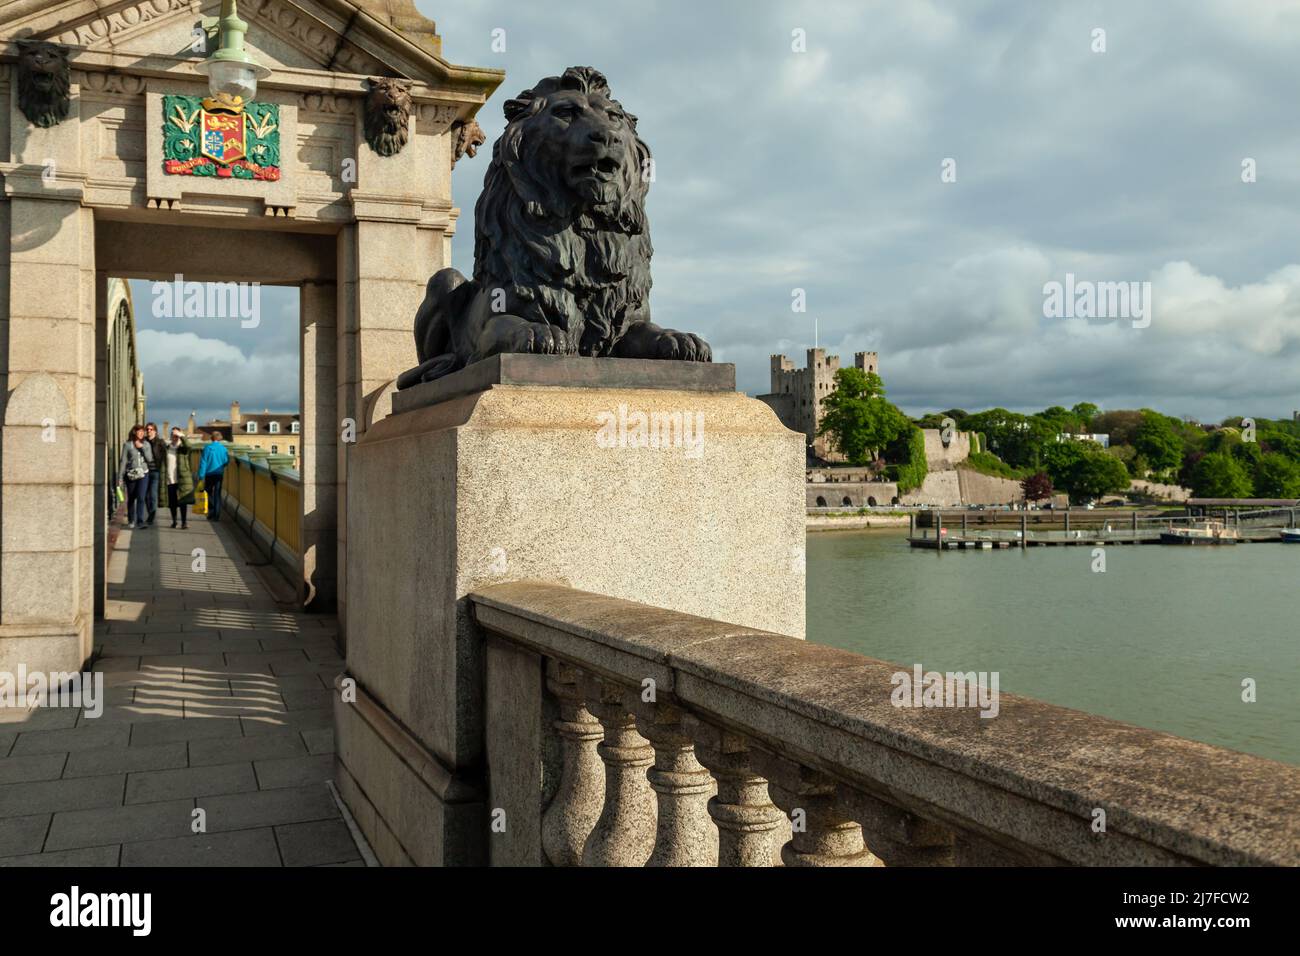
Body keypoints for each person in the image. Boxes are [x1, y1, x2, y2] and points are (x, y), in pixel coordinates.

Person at [117, 424, 153, 530]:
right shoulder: (127, 445)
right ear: (134, 432)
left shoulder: (146, 444)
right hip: (131, 475)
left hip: (143, 474)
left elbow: (149, 459)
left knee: (141, 497)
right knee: (132, 498)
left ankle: (140, 521)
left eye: (143, 431)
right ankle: (131, 520)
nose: (142, 433)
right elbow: (123, 461)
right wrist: (120, 477)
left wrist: (141, 448)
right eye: (139, 431)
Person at [164, 427, 196, 529]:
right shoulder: (167, 448)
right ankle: (174, 521)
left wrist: (182, 436)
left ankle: (184, 522)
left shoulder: (183, 448)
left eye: (176, 435)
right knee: (172, 502)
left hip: (181, 479)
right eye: (173, 435)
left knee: (183, 501)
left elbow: (190, 446)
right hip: (170, 479)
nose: (175, 437)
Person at [196, 429, 230, 521]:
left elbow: (203, 463)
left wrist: (201, 475)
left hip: (209, 474)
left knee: (208, 492)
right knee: (217, 494)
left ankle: (212, 510)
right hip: (219, 473)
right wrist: (222, 467)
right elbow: (227, 461)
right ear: (219, 438)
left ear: (212, 438)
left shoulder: (207, 448)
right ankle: (216, 514)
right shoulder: (223, 449)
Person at [144, 422, 166, 526]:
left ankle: (151, 516)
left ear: (155, 431)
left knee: (152, 495)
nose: (148, 431)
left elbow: (165, 456)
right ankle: (150, 514)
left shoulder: (160, 442)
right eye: (147, 429)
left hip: (155, 471)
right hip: (145, 472)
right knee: (145, 496)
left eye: (151, 429)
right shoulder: (143, 442)